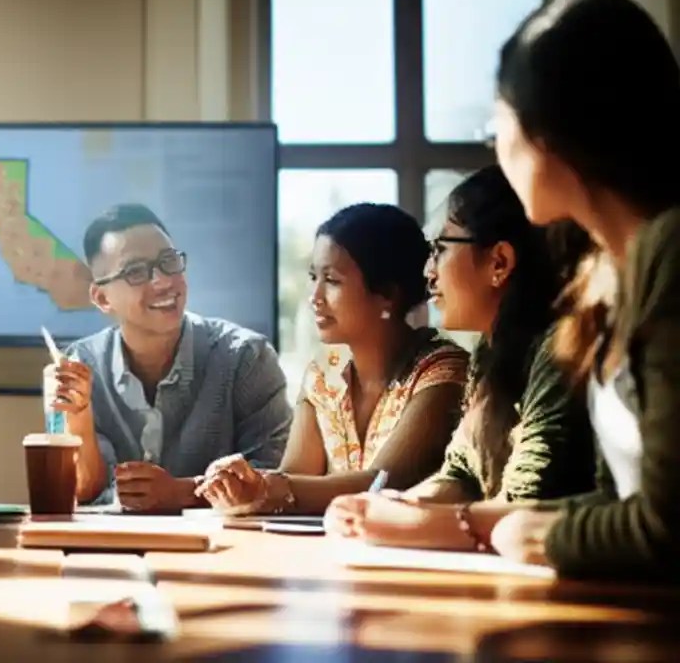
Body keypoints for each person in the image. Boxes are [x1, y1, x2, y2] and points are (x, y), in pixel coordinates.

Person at [328, 0, 680, 582]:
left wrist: (493, 526)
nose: (496, 144)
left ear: (557, 127)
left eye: (501, 121)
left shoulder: (669, 252)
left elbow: (665, 525)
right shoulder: (607, 283)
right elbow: (616, 499)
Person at [323, 168, 597, 549]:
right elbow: (461, 474)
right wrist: (392, 504)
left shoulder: (558, 348)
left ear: (499, 262)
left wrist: (406, 522)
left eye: (440, 249)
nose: (428, 273)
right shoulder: (490, 349)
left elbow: (525, 502)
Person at [197, 203, 469, 515]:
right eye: (314, 277)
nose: (315, 297)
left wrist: (266, 488)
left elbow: (383, 485)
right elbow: (295, 476)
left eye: (332, 280)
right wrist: (244, 486)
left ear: (387, 295)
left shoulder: (442, 371)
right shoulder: (324, 376)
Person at [54, 203, 292, 513]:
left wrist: (181, 492)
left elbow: (274, 483)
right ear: (102, 298)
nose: (163, 281)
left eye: (168, 261)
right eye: (136, 271)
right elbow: (85, 492)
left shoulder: (246, 358)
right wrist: (79, 416)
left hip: (222, 553)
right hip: (110, 550)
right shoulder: (80, 365)